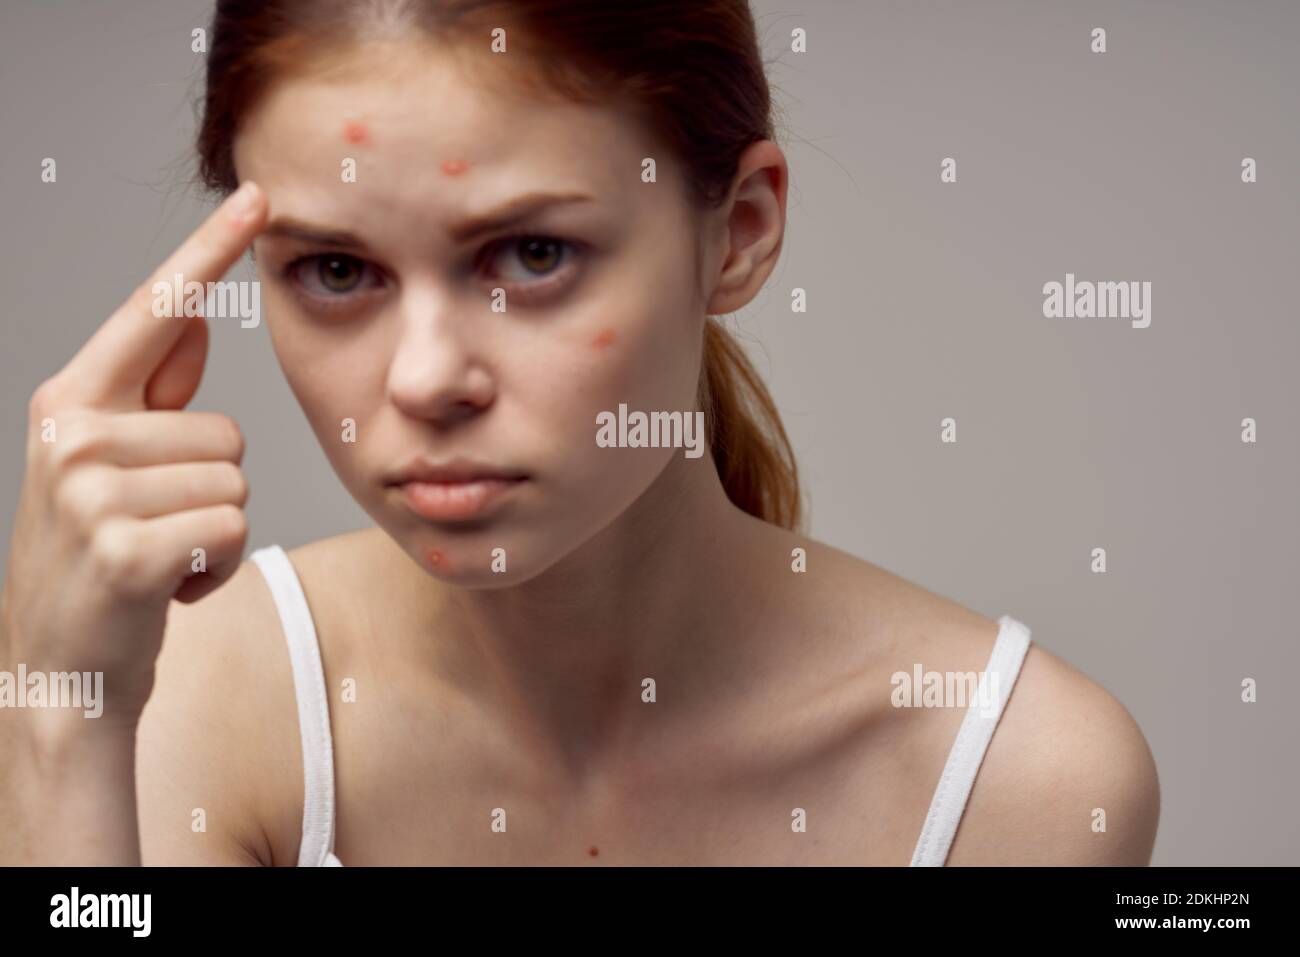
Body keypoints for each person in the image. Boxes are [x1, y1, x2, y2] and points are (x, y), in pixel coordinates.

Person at [0, 0, 1158, 866]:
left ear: (740, 234)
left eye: (532, 255)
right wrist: (60, 719)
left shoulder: (1019, 781)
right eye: (336, 269)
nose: (425, 379)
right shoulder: (208, 695)